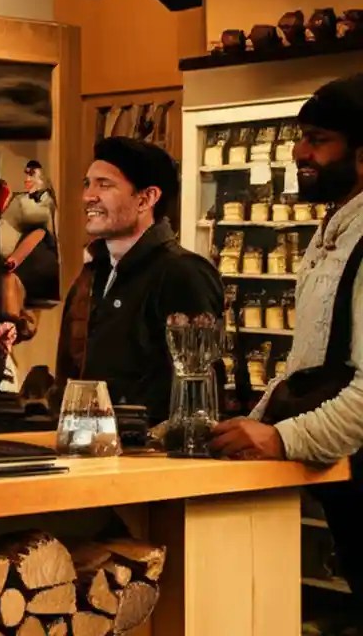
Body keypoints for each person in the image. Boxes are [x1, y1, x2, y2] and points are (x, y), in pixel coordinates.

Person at [210, 74, 363, 606]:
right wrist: (254, 419)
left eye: (319, 140)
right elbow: (309, 361)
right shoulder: (334, 232)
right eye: (302, 138)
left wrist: (280, 439)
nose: (300, 152)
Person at [55, 137, 223, 423]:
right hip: (92, 451)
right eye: (87, 184)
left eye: (104, 185)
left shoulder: (182, 273)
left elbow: (199, 394)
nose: (88, 196)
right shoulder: (94, 272)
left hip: (151, 461)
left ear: (146, 198)